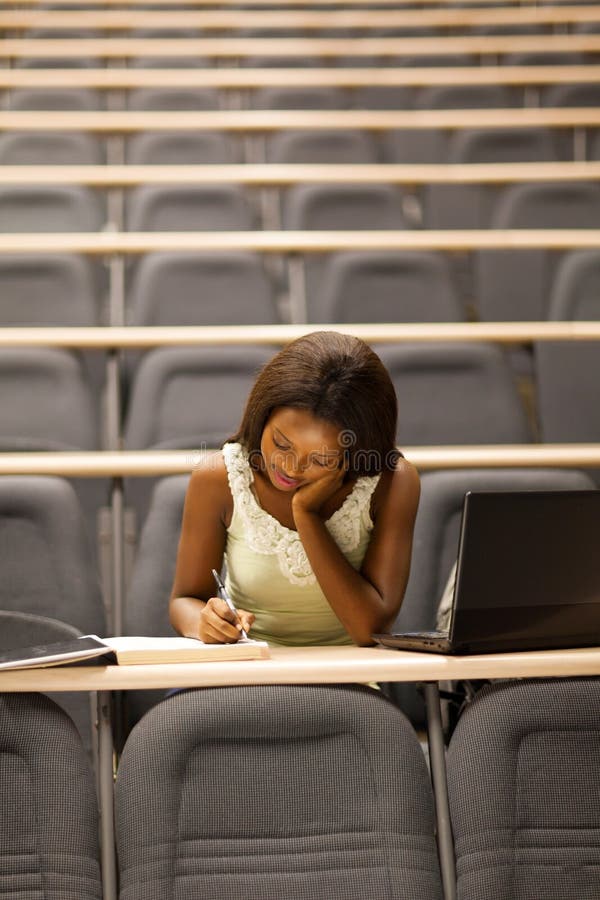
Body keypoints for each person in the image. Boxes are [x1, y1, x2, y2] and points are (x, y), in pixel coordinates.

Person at [169, 330, 420, 648]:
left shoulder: (393, 482)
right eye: (281, 443)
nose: (291, 468)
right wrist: (204, 621)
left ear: (356, 453)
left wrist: (306, 514)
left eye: (320, 459)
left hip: (351, 668)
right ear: (263, 416)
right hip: (249, 663)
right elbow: (184, 599)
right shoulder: (218, 476)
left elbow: (369, 628)